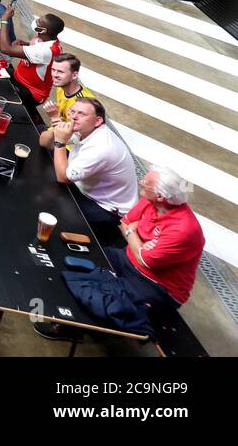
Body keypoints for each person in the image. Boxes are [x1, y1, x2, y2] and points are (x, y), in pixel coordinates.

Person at [111, 167, 205, 319]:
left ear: (160, 196)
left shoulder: (184, 229)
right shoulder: (150, 201)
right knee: (90, 258)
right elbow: (124, 223)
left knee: (112, 301)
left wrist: (132, 232)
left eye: (146, 183)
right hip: (127, 259)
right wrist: (139, 245)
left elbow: (146, 261)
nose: (141, 183)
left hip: (157, 286)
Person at [47, 97, 138, 226]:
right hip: (86, 188)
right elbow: (44, 142)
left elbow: (63, 178)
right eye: (72, 112)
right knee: (49, 155)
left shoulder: (101, 147)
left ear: (97, 121)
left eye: (82, 114)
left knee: (53, 206)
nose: (74, 117)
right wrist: (56, 126)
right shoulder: (85, 129)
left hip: (105, 208)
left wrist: (60, 141)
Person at [0, 9, 65, 120]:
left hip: (29, 91)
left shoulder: (47, 50)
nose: (36, 21)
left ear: (43, 30)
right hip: (17, 77)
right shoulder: (43, 37)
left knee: (3, 110)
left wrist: (4, 19)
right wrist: (25, 45)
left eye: (39, 22)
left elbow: (5, 49)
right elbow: (34, 49)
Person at [39, 53, 98, 135]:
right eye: (53, 70)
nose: (54, 75)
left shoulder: (84, 103)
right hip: (60, 129)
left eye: (60, 72)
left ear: (74, 75)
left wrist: (55, 116)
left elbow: (78, 135)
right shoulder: (61, 87)